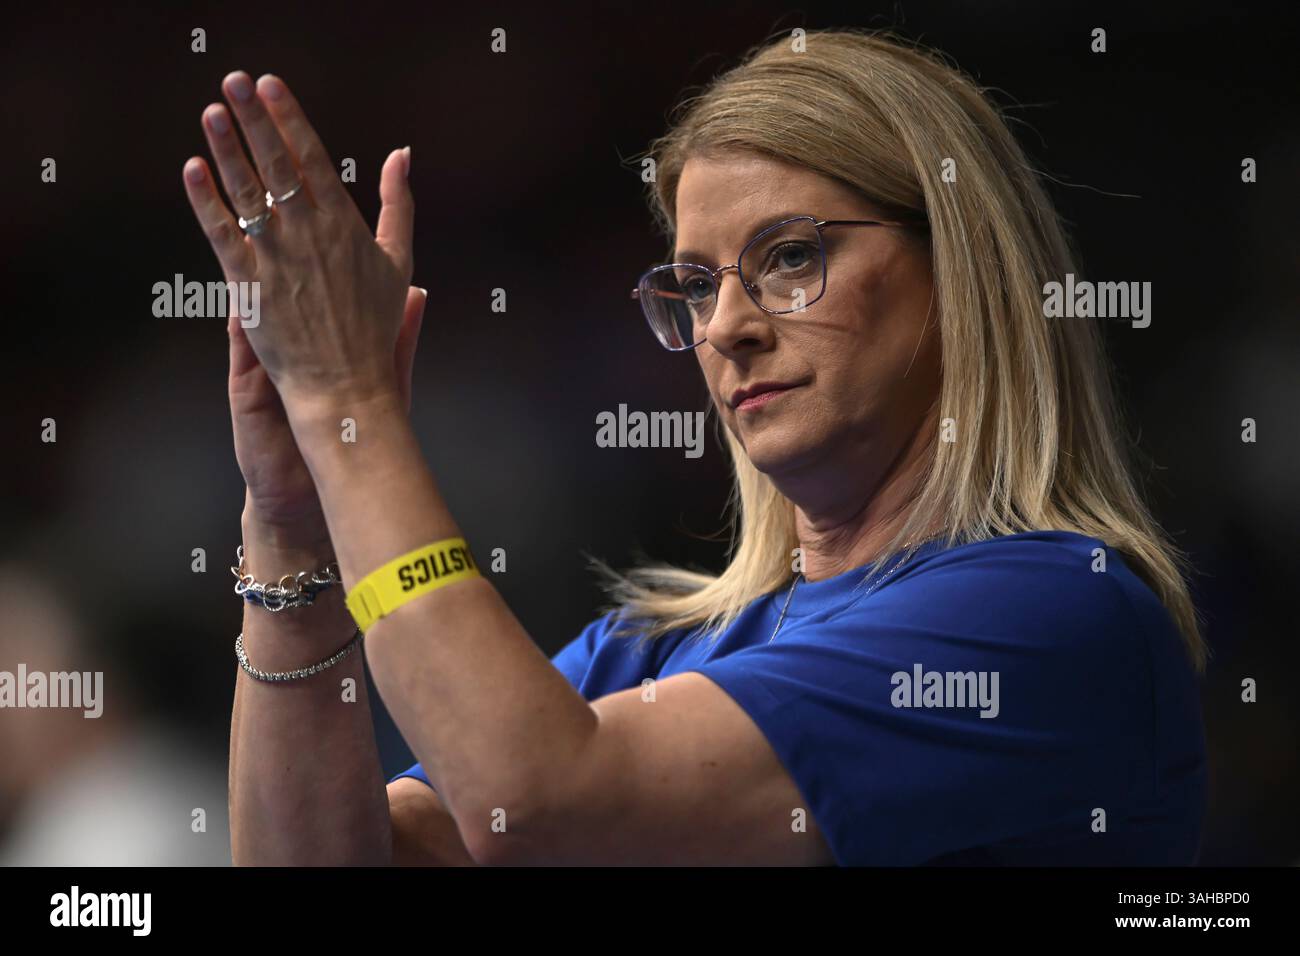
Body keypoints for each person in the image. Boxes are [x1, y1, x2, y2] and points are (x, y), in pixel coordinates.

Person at [183, 28, 1206, 866]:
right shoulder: (648, 652)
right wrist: (292, 518)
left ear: (960, 265)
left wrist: (350, 402)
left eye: (789, 256)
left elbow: (537, 797)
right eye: (696, 285)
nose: (725, 326)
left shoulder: (1054, 615)